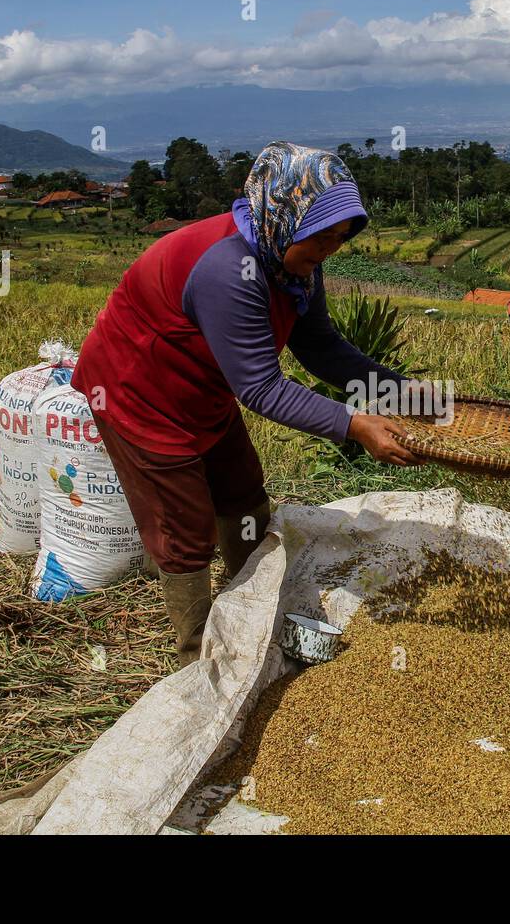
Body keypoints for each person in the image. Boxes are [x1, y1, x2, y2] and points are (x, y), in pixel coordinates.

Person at [71, 141, 422, 666]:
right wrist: (355, 425)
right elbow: (260, 388)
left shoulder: (293, 260)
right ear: (281, 215)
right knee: (183, 526)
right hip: (140, 394)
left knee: (241, 493)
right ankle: (196, 657)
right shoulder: (226, 270)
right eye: (320, 235)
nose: (330, 247)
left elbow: (320, 347)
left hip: (204, 386)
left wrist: (399, 391)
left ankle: (253, 608)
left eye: (340, 236)